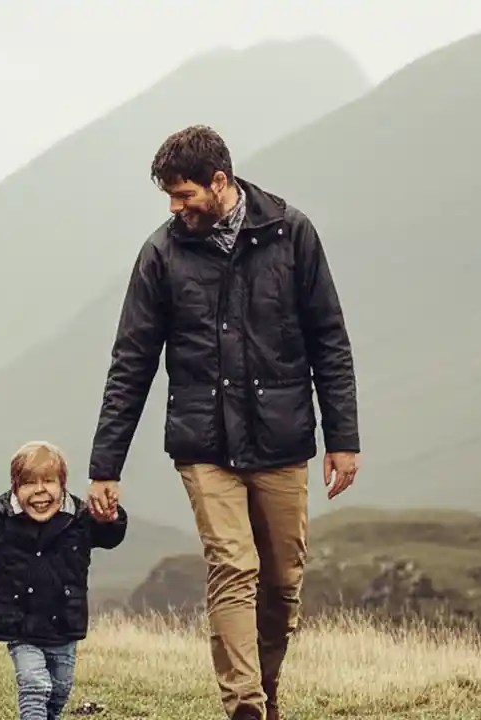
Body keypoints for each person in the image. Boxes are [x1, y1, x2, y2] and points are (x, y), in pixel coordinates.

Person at [85, 125, 361, 720]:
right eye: (169, 198)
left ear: (220, 181)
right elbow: (131, 361)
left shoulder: (292, 234)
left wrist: (343, 438)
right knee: (233, 565)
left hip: (282, 436)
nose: (175, 209)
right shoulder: (162, 253)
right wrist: (105, 466)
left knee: (282, 580)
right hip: (203, 441)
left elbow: (329, 340)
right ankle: (245, 705)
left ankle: (264, 684)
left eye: (183, 196)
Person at [0, 440, 127, 720]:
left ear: (62, 486)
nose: (39, 491)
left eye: (48, 481)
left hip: (64, 625)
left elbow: (110, 537)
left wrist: (111, 517)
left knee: (59, 690)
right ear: (15, 488)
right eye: (28, 483)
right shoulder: (1, 516)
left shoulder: (80, 518)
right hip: (20, 626)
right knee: (35, 685)